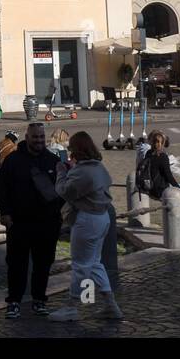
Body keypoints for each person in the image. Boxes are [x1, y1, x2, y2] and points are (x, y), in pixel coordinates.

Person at [51, 131, 123, 321]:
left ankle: (71, 307)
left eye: (71, 147)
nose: (69, 150)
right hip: (102, 218)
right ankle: (111, 306)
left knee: (81, 265)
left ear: (78, 149)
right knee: (95, 263)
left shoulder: (82, 171)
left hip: (87, 220)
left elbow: (65, 191)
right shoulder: (98, 166)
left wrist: (61, 172)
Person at [0, 123, 63, 319]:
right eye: (35, 137)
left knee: (44, 264)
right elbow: (2, 189)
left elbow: (63, 190)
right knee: (17, 264)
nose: (39, 141)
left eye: (42, 137)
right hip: (19, 222)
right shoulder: (12, 160)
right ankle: (14, 302)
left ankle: (39, 300)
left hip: (47, 223)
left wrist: (61, 215)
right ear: (27, 136)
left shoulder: (53, 160)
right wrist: (5, 213)